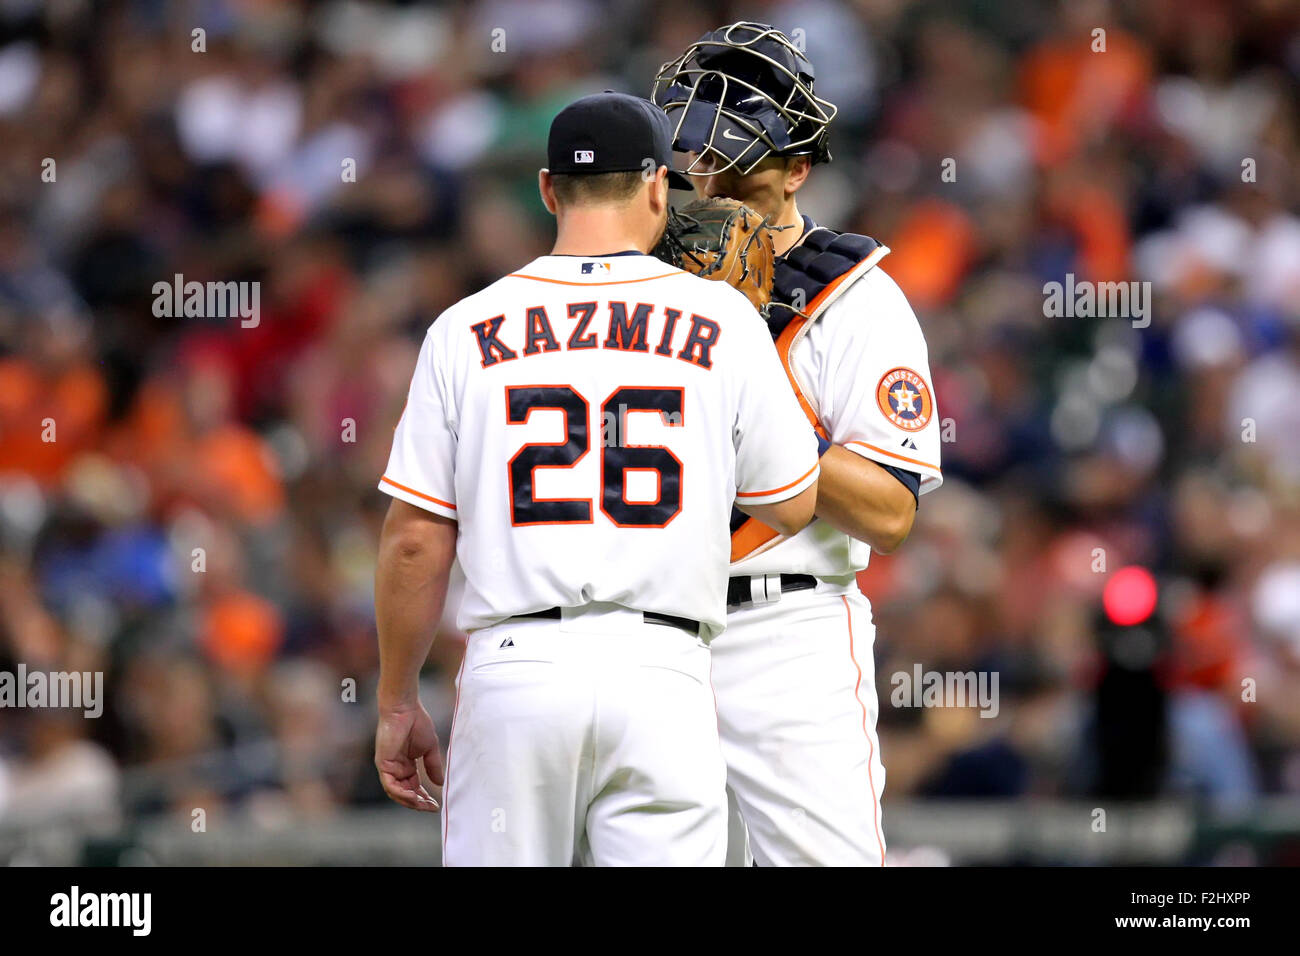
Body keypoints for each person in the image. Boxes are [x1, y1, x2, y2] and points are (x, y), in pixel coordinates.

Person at [372, 92, 821, 866]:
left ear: (549, 190)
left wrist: (396, 699)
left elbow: (415, 541)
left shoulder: (465, 327)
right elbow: (792, 502)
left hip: (515, 668)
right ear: (656, 186)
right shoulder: (721, 319)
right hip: (662, 669)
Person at [652, 22, 945, 866]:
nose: (706, 184)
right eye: (691, 162)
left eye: (735, 166)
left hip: (781, 631)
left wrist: (750, 377)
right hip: (646, 626)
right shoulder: (636, 286)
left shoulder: (857, 301)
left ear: (796, 170)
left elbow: (891, 512)